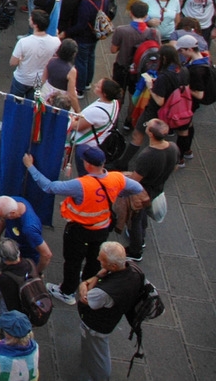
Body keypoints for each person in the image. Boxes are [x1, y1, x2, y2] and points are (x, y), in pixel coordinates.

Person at [21, 149, 143, 305]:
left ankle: (67, 292)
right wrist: (120, 194)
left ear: (87, 164)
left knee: (73, 261)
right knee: (94, 259)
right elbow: (137, 188)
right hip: (102, 228)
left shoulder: (81, 185)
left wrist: (30, 166)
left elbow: (50, 187)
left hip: (79, 230)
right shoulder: (116, 178)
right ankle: (88, 282)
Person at [76, 241, 146, 381]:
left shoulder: (102, 293)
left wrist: (85, 283)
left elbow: (85, 298)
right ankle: (86, 365)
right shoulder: (133, 270)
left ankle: (101, 377)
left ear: (113, 266)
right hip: (113, 316)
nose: (98, 260)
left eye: (102, 260)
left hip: (97, 325)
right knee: (92, 348)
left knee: (100, 355)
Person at [123, 118, 178, 260]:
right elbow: (175, 167)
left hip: (143, 192)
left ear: (151, 134)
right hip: (157, 187)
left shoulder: (148, 155)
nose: (145, 125)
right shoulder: (173, 147)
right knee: (142, 216)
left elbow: (135, 180)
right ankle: (142, 235)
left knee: (135, 219)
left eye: (147, 125)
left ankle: (135, 250)